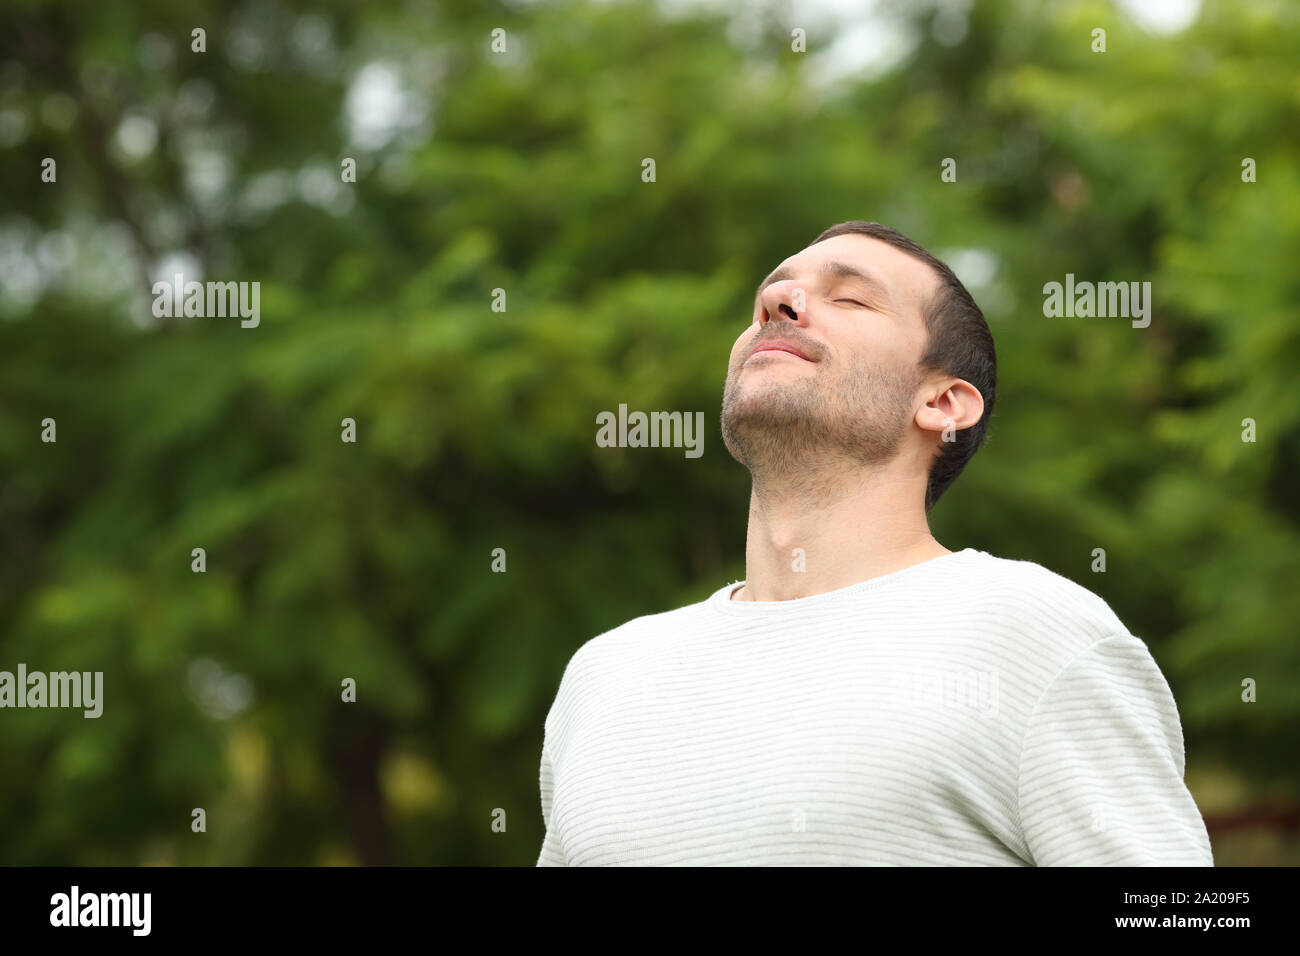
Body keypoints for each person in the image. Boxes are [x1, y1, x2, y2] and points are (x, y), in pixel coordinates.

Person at [535, 221, 1214, 866]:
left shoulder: (1034, 633)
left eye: (851, 297)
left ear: (944, 404)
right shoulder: (606, 675)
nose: (779, 302)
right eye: (772, 293)